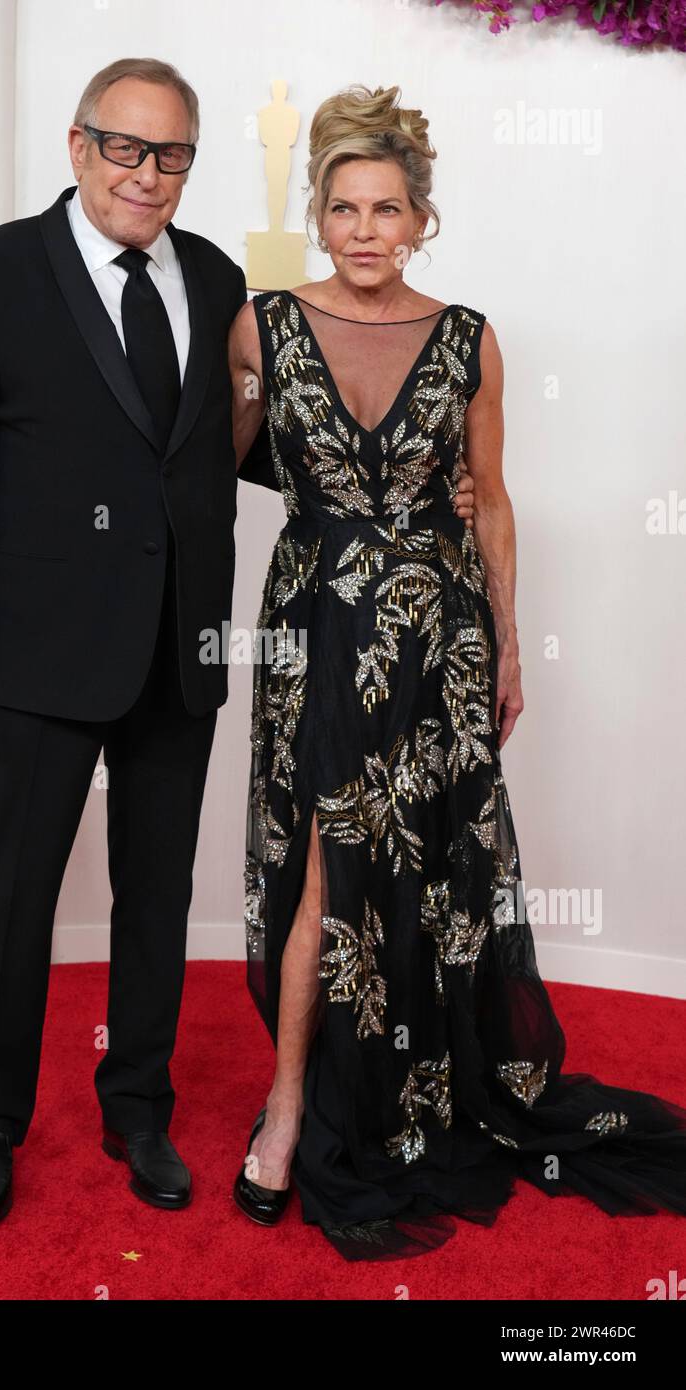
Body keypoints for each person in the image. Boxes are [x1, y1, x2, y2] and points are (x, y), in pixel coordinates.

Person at [0, 54, 480, 1227]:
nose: (146, 174)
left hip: (182, 647)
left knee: (154, 892)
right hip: (37, 649)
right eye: (125, 147)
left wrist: (420, 482)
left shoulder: (220, 282)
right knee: (12, 893)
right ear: (77, 148)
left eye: (170, 155)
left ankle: (137, 1110)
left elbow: (258, 443)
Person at [229, 82, 686, 1261]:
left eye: (388, 208)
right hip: (315, 629)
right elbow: (214, 465)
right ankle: (289, 1107)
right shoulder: (260, 324)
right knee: (326, 867)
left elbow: (493, 505)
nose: (365, 230)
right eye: (343, 208)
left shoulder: (467, 335)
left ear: (422, 217)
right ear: (317, 215)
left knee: (430, 864)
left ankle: (415, 1090)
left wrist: (509, 640)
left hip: (437, 639)